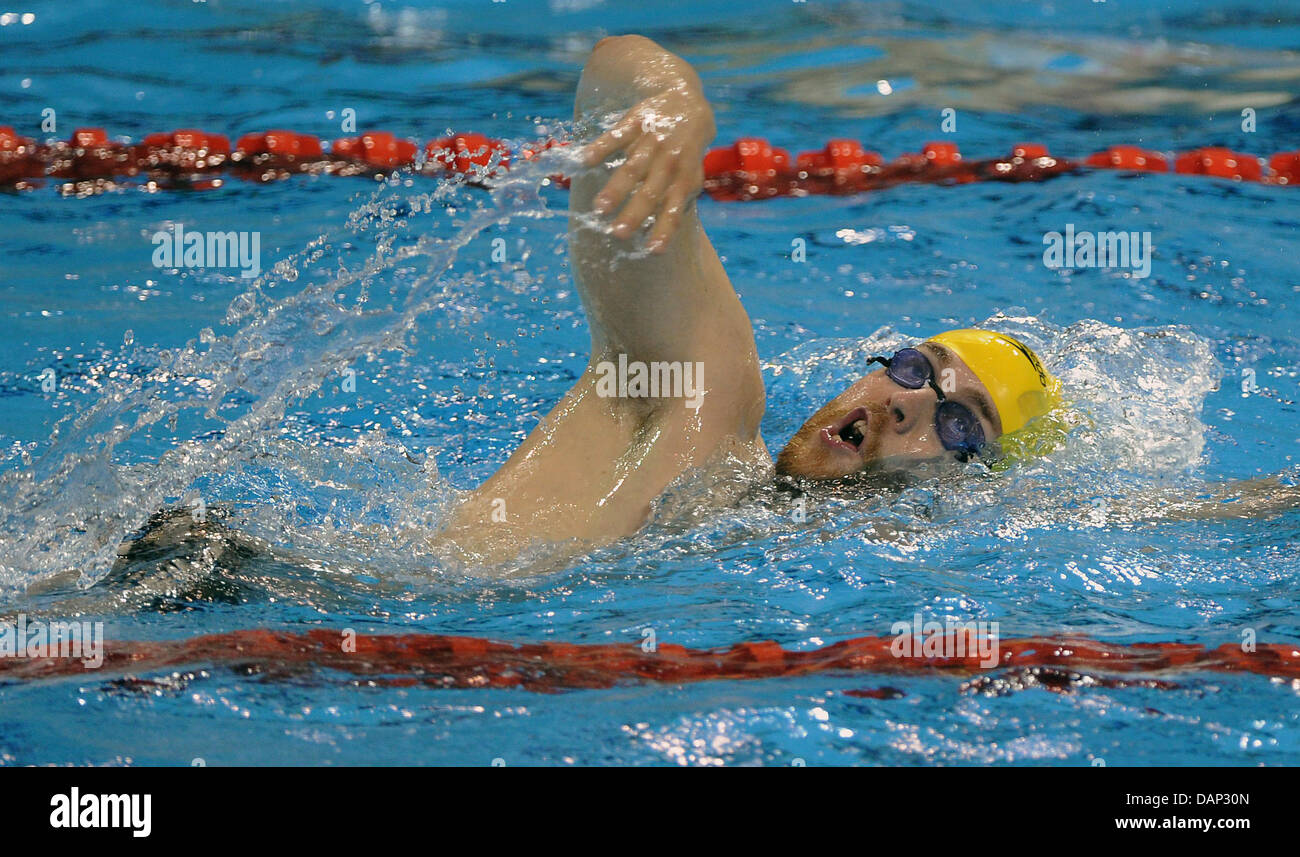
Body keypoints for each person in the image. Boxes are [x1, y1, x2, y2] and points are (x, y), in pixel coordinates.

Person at [437, 35, 1059, 560]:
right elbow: (610, 74)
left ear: (972, 491)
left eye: (957, 425)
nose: (904, 404)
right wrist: (673, 100)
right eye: (916, 368)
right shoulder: (701, 415)